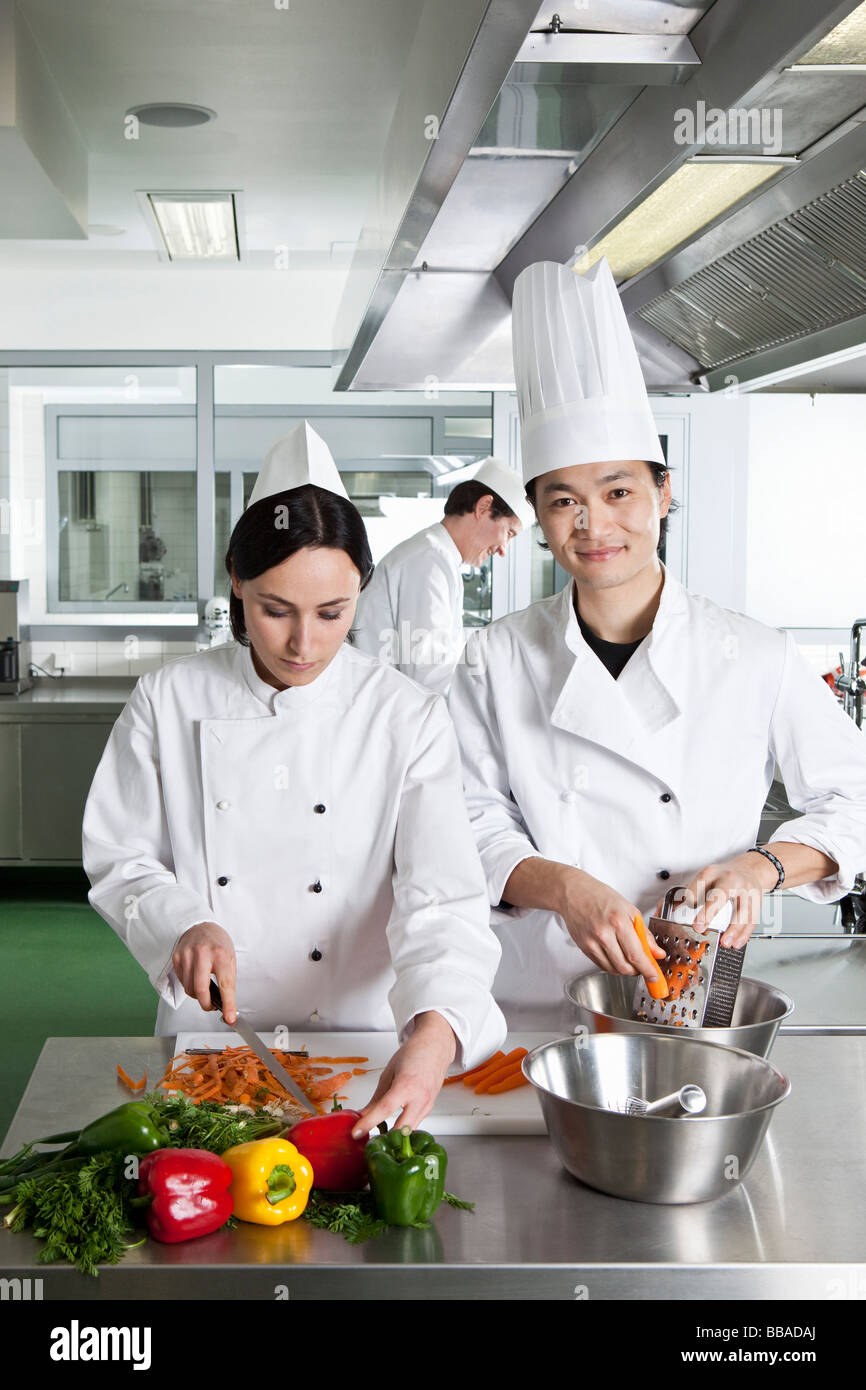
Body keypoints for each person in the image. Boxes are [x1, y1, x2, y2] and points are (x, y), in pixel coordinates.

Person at [448, 258, 866, 1030]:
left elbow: (854, 800)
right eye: (564, 500)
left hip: (690, 988)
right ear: (538, 517)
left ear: (664, 494)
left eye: (619, 492)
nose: (595, 526)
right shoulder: (495, 657)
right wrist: (566, 888)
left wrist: (761, 868)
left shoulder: (756, 655)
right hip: (533, 997)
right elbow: (464, 818)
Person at [82, 420, 505, 1131]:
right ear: (237, 583)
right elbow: (121, 858)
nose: (304, 643)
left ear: (361, 592)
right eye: (275, 611)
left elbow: (443, 899)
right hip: (212, 1042)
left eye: (333, 613)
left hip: (365, 1044)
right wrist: (183, 921)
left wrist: (436, 1034)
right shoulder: (169, 699)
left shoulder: (406, 717)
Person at [352, 457, 532, 695]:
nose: (502, 550)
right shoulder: (429, 559)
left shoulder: (438, 556)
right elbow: (428, 674)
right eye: (508, 533)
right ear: (483, 507)